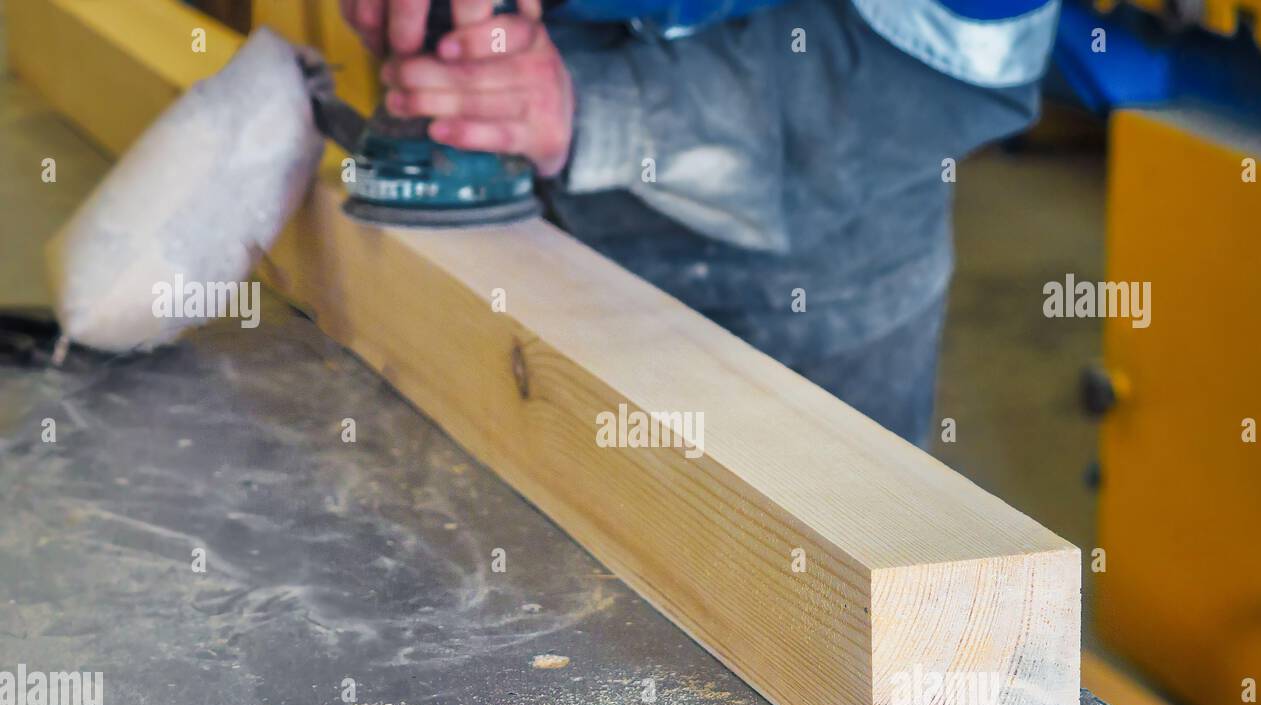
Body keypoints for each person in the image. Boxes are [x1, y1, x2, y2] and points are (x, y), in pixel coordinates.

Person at [341, 0, 1061, 446]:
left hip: (808, 258)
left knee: (821, 599)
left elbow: (963, 60)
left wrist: (614, 108)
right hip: (523, 218)